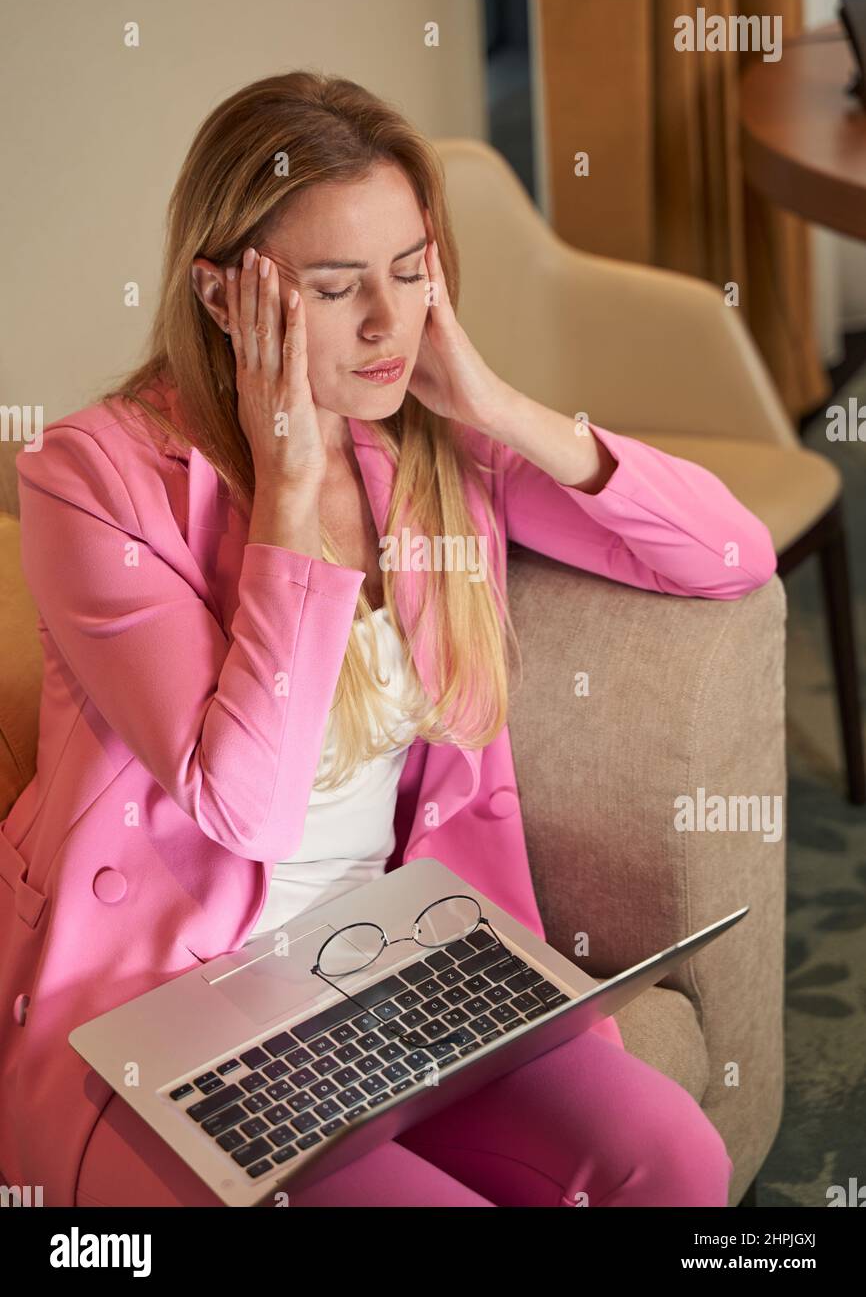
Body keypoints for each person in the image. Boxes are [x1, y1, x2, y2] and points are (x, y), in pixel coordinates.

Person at [0, 71, 776, 1208]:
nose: (385, 322)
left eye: (411, 272)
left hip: (391, 962)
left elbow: (729, 555)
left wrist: (497, 403)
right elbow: (247, 805)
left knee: (672, 1161)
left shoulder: (426, 449)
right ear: (223, 298)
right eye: (334, 286)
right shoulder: (95, 480)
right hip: (167, 1016)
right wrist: (287, 488)